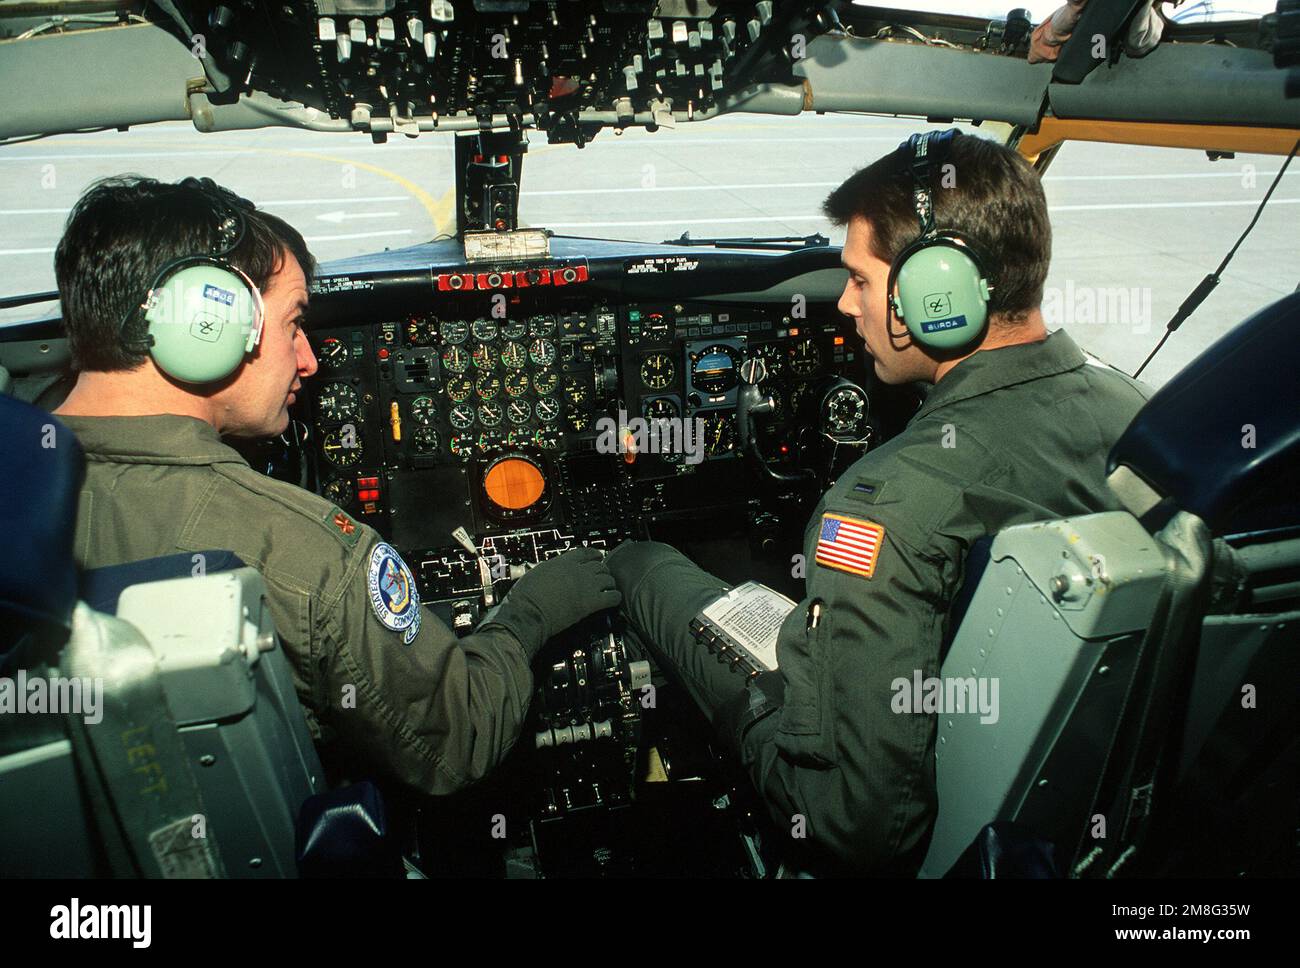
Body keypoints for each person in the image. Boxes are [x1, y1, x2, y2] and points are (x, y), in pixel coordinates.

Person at [606, 130, 1151, 875]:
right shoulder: (1139, 413)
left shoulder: (885, 507)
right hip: (1091, 825)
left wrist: (755, 704)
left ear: (941, 292)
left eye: (862, 280)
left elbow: (854, 824)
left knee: (642, 569)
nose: (845, 307)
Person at [52, 175, 619, 795]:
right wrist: (525, 618)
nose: (309, 360)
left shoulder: (21, 482)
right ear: (203, 323)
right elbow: (458, 738)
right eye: (294, 323)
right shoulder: (303, 554)